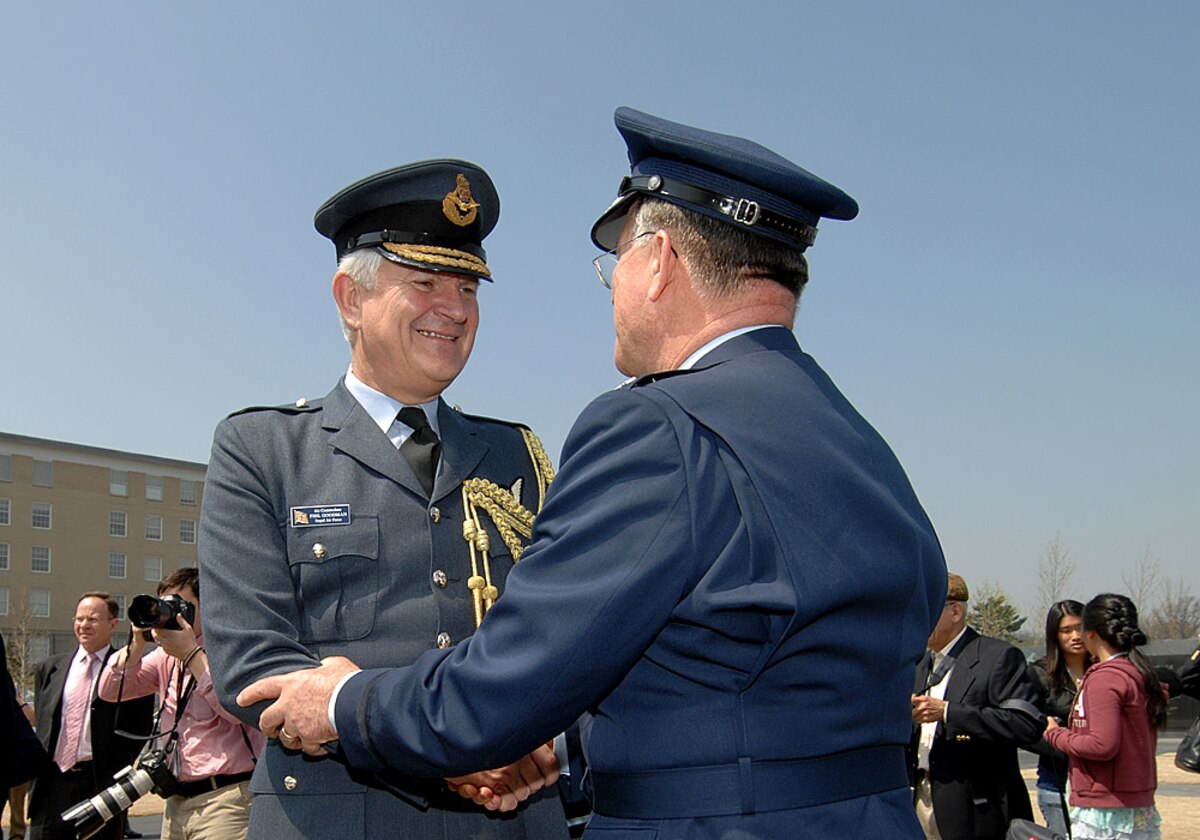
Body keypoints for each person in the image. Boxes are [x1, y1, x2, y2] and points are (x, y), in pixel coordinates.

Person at [237, 106, 949, 839]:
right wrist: (568, 747)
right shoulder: (858, 440)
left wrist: (343, 703)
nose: (610, 288)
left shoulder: (657, 426)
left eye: (616, 262)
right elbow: (719, 674)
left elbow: (508, 684)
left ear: (660, 262)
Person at [199, 159, 568, 840]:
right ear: (350, 299)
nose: (454, 309)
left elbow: (567, 634)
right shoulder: (262, 450)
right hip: (337, 818)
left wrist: (537, 737)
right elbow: (253, 666)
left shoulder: (520, 455)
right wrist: (452, 747)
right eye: (424, 282)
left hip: (514, 819)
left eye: (467, 287)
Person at [96, 568, 262, 840]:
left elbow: (235, 711)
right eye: (164, 606)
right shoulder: (165, 657)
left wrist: (192, 654)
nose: (170, 614)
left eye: (178, 606)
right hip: (176, 800)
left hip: (226, 799)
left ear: (207, 606)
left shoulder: (230, 649)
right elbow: (110, 690)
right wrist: (136, 644)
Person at [909, 572, 1043, 840]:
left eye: (925, 610)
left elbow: (1025, 725)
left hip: (975, 807)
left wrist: (947, 712)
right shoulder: (920, 663)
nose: (917, 620)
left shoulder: (997, 657)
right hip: (921, 797)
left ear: (955, 611)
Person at [27, 593, 153, 840]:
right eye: (79, 618)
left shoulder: (129, 668)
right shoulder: (49, 668)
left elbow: (141, 727)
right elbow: (44, 726)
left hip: (98, 783)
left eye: (93, 619)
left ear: (113, 624)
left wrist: (114, 770)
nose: (84, 625)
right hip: (52, 783)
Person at [1044, 594, 1167, 840]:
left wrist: (1055, 734)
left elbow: (1101, 745)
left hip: (1104, 807)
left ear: (1092, 633)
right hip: (1135, 802)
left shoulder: (1105, 678)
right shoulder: (1139, 673)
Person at [1027, 599, 1092, 835]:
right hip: (1056, 782)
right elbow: (1027, 729)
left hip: (1101, 784)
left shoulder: (1104, 670)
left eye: (1080, 628)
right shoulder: (1039, 674)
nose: (1075, 636)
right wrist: (1062, 740)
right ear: (1054, 635)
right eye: (1066, 630)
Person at [4, 632, 51, 840]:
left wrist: (19, 701)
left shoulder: (10, 692)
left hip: (16, 754)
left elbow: (33, 719)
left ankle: (17, 835)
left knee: (17, 806)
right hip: (15, 751)